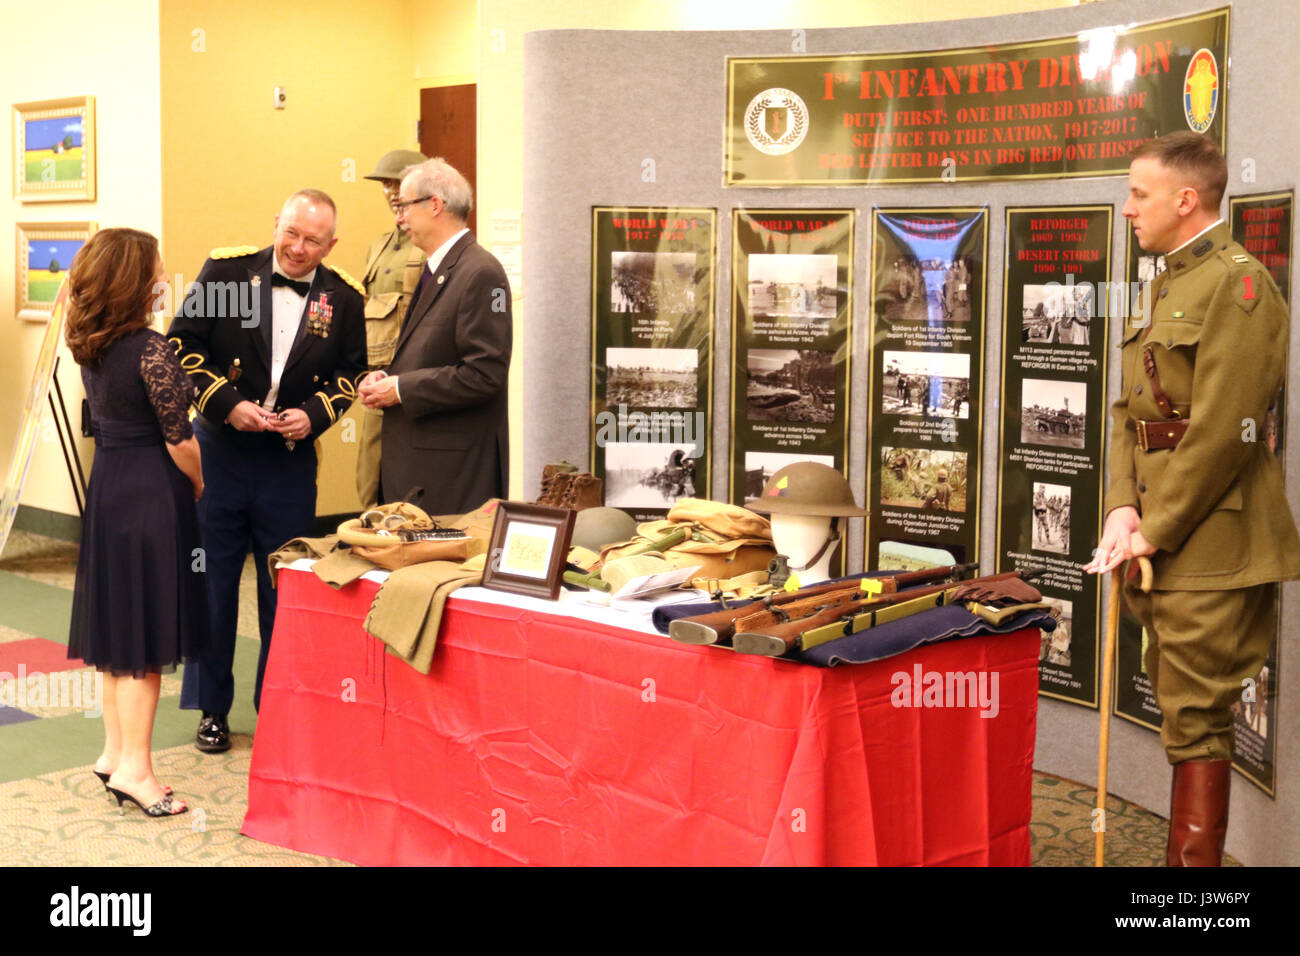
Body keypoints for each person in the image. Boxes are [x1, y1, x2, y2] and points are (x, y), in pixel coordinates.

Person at [1085, 132, 1300, 865]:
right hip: (1159, 531)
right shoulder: (1170, 280)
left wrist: (1157, 527)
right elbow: (1129, 415)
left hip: (1209, 539)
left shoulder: (1241, 286)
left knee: (1198, 720)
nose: (1127, 210)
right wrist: (1121, 508)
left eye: (1138, 194)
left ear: (1187, 199)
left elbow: (1222, 433)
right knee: (1184, 714)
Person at [168, 189, 366, 753]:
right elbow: (183, 344)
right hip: (221, 457)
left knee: (284, 588)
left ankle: (278, 704)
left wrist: (314, 415)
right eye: (291, 233)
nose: (299, 248)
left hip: (287, 464)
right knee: (213, 584)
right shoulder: (227, 271)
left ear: (332, 244)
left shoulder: (344, 297)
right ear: (275, 223)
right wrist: (225, 402)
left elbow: (351, 375)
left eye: (313, 240)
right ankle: (211, 709)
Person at [65, 228, 209, 816]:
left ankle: (113, 754)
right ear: (134, 278)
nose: (162, 272)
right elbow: (180, 438)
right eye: (155, 264)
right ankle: (138, 773)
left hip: (109, 491)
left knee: (118, 636)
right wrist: (199, 482)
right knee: (146, 643)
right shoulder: (152, 348)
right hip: (152, 495)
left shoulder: (90, 343)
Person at [358, 158, 511, 514]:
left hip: (449, 478)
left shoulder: (480, 272)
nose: (399, 219)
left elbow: (484, 375)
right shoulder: (438, 267)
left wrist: (400, 390)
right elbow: (429, 353)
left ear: (435, 205)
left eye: (404, 207)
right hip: (421, 470)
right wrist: (390, 378)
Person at [355, 149, 428, 508]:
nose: (390, 191)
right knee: (370, 473)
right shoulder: (377, 247)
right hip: (376, 375)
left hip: (415, 377)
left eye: (396, 182)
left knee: (411, 478)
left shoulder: (431, 248)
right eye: (385, 183)